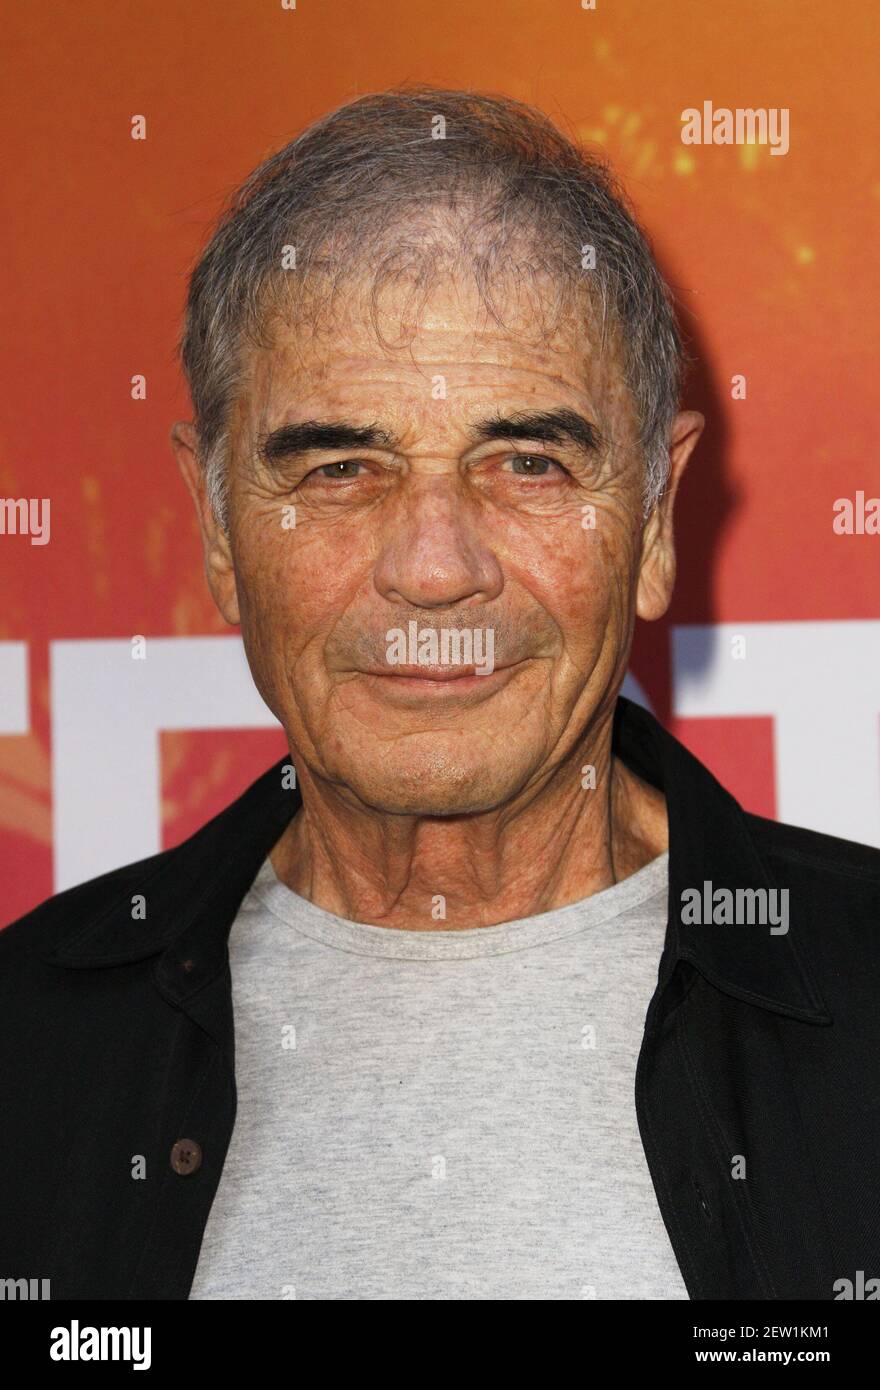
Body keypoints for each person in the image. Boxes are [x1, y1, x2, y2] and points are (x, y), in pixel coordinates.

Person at [1, 86, 878, 1301]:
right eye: (341, 466)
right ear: (215, 523)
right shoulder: (30, 1051)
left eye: (526, 462)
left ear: (658, 514)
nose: (433, 567)